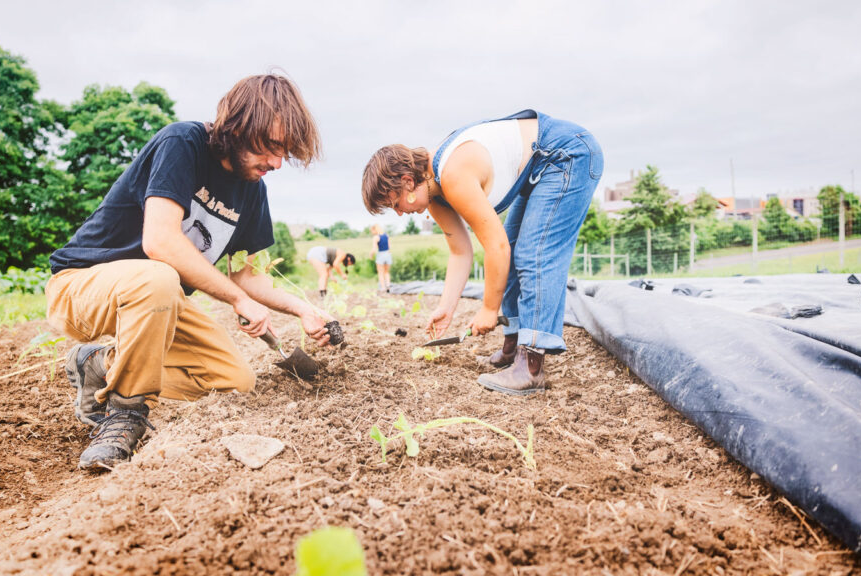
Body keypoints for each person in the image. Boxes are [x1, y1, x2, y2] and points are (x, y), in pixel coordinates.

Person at [47, 73, 334, 470]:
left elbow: (247, 277)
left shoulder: (253, 190)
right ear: (238, 127)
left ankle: (100, 363)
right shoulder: (182, 143)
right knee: (160, 276)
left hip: (156, 301)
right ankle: (125, 412)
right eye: (270, 146)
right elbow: (159, 243)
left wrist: (302, 310)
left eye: (284, 151)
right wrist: (236, 300)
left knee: (235, 379)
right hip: (82, 285)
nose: (277, 162)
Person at [362, 110, 603, 395]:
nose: (401, 213)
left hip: (566, 154)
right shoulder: (434, 194)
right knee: (515, 250)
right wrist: (446, 308)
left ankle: (532, 367)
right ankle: (513, 348)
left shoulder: (452, 174)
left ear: (407, 181)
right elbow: (460, 252)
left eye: (396, 204)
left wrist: (489, 309)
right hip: (539, 166)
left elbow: (495, 246)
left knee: (534, 254)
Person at [370, 224, 392, 292]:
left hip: (381, 255)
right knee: (387, 272)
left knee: (380, 272)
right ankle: (388, 286)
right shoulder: (386, 235)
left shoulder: (376, 237)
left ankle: (383, 288)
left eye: (372, 231)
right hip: (388, 254)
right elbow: (389, 246)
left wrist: (371, 254)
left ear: (374, 230)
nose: (371, 232)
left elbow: (374, 249)